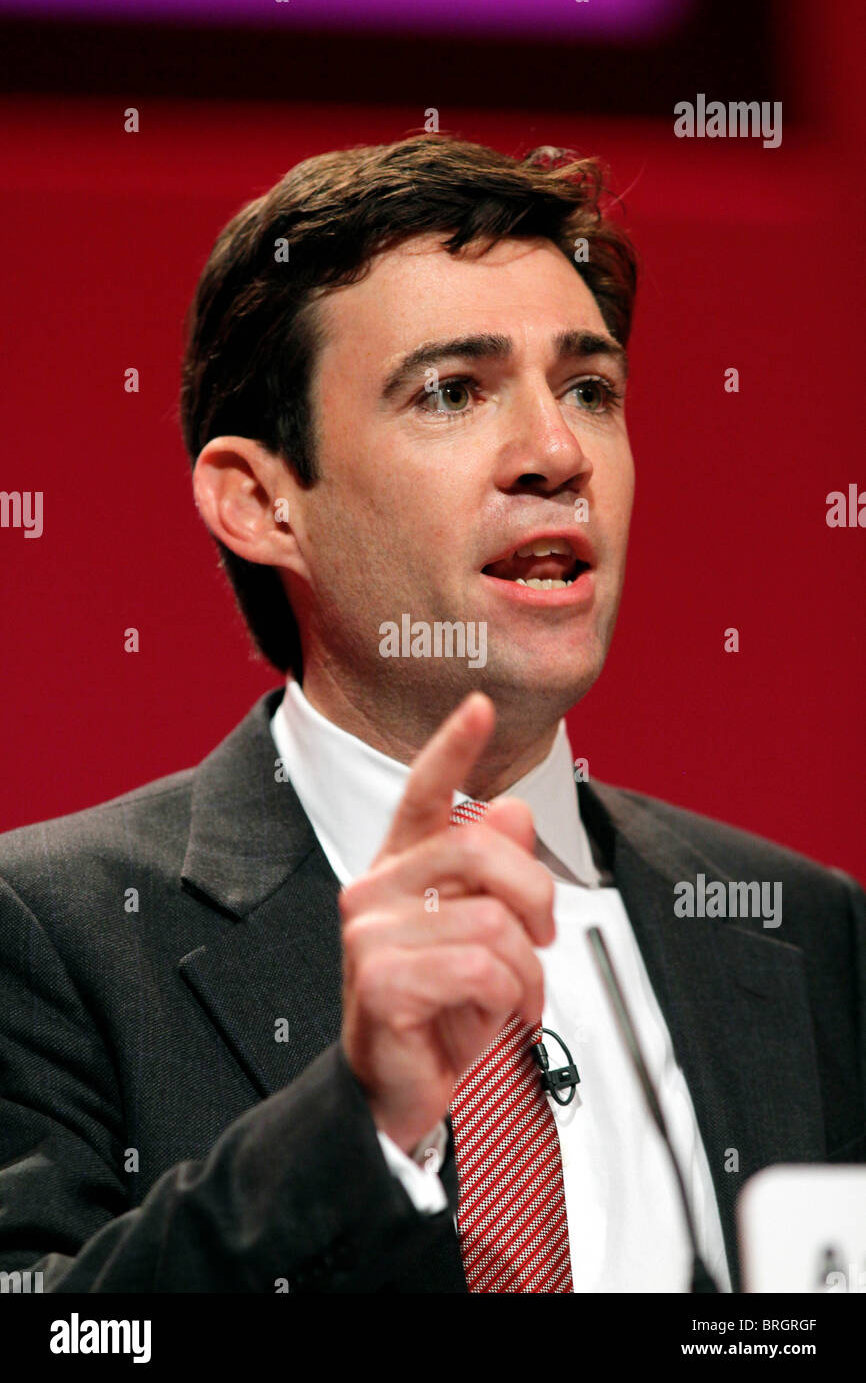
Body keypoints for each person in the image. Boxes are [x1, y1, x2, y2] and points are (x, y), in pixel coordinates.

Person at [0, 134, 862, 1294]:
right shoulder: (53, 934)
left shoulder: (810, 938)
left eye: (588, 389)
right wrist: (355, 1120)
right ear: (260, 502)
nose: (556, 454)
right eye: (451, 391)